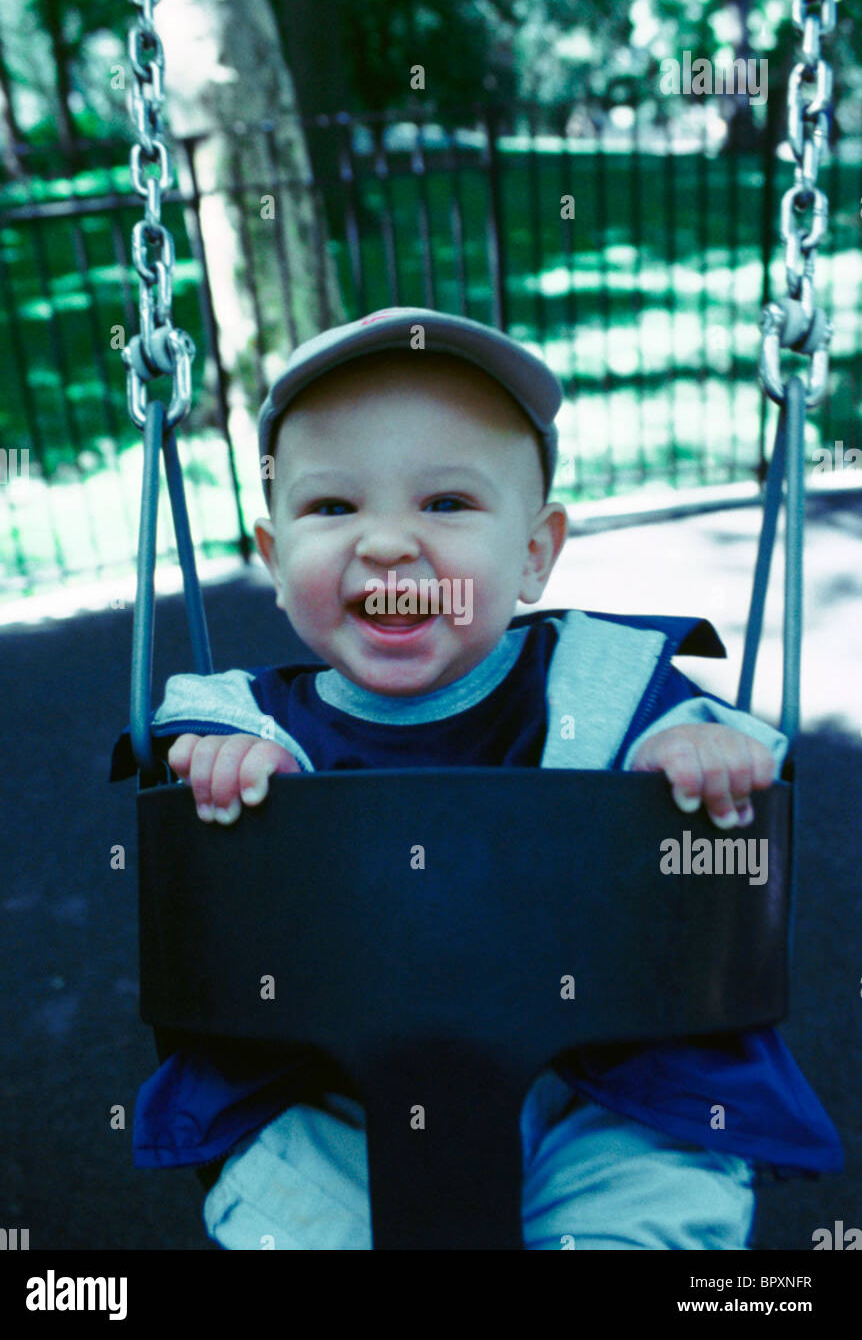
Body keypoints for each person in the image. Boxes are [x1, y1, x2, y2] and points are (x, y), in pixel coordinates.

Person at [111, 307, 843, 1249]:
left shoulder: (605, 684)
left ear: (535, 554)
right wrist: (221, 763)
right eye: (332, 508)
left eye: (446, 504)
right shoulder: (252, 719)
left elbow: (711, 741)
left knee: (656, 1207)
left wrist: (704, 752)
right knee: (285, 1207)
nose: (384, 543)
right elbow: (189, 733)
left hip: (612, 1091)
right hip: (331, 1098)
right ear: (276, 564)